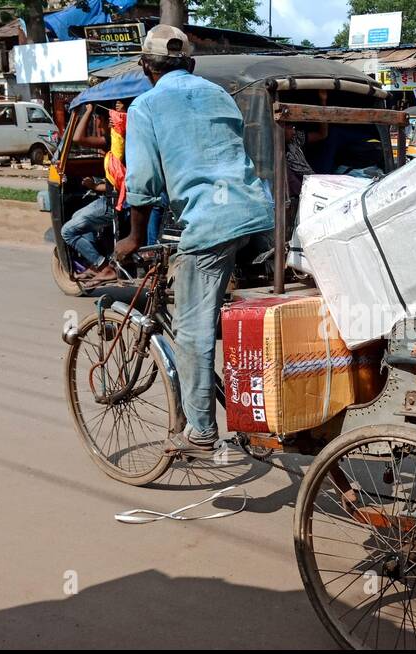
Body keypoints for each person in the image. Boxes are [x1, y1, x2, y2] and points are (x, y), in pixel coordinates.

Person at [115, 25, 274, 457]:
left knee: (192, 329)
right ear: (190, 63)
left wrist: (132, 237)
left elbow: (144, 183)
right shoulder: (219, 94)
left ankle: (201, 430)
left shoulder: (146, 106)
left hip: (212, 223)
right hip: (259, 212)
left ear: (147, 68)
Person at [61, 101, 127, 283]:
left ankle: (102, 265)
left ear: (110, 121)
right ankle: (95, 260)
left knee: (67, 232)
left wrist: (88, 110)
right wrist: (94, 187)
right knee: (76, 215)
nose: (97, 125)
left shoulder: (117, 141)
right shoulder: (115, 141)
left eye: (99, 120)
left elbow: (77, 138)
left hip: (113, 203)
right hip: (109, 197)